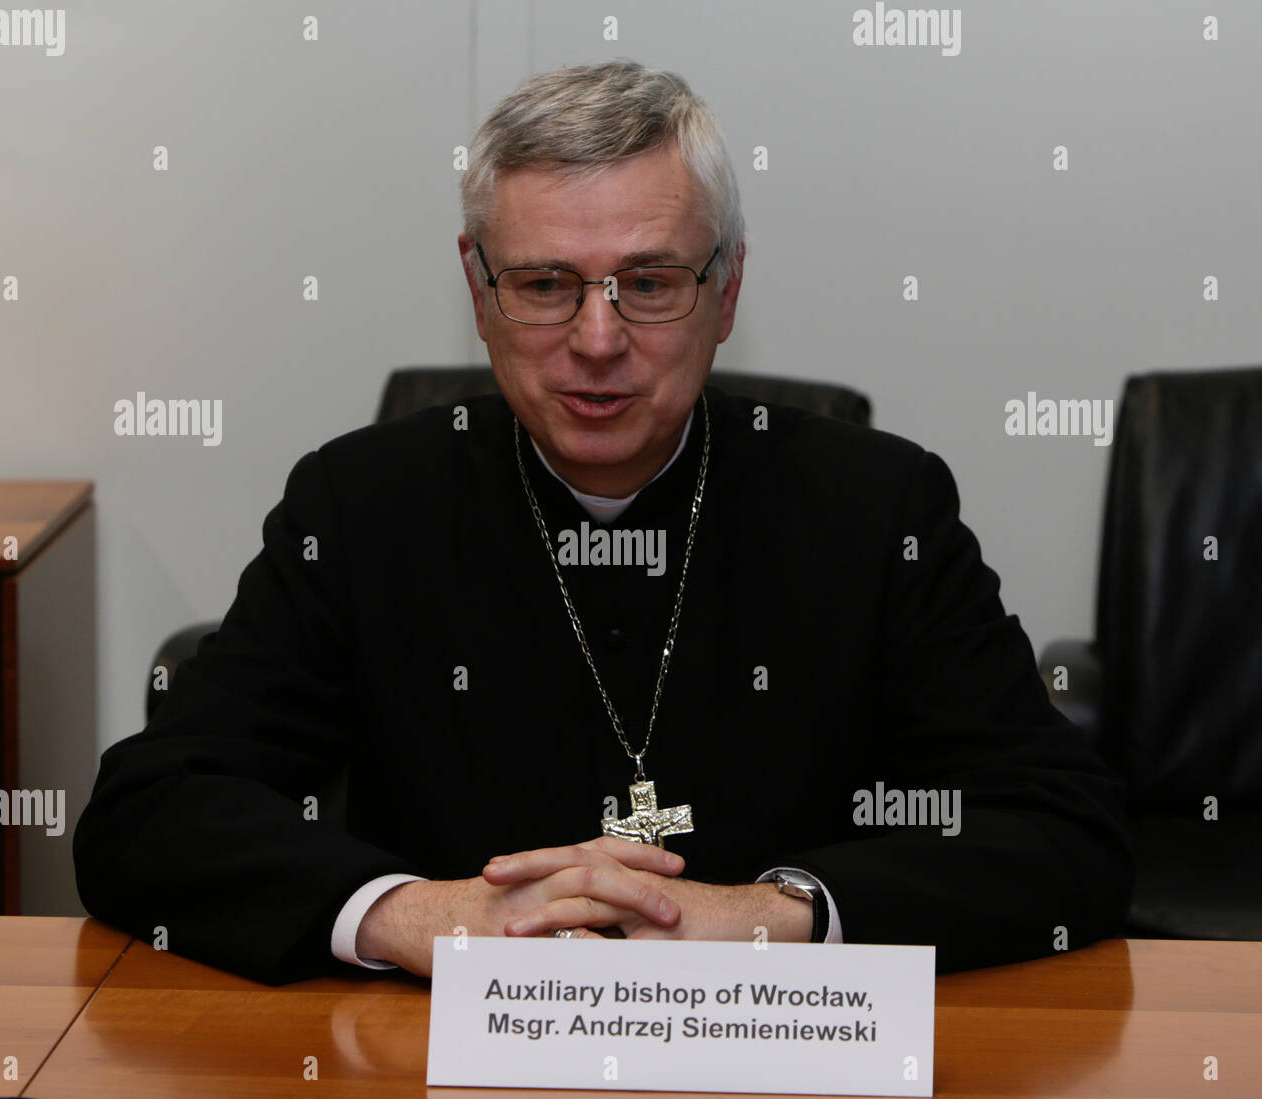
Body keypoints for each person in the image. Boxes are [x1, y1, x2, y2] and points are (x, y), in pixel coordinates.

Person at [73, 60, 1133, 985]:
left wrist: (772, 916)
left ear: (725, 291)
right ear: (478, 291)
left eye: (649, 281)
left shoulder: (876, 507)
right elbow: (147, 812)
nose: (596, 337)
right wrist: (411, 916)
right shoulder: (360, 504)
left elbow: (1066, 831)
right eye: (544, 283)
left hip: (784, 1058)